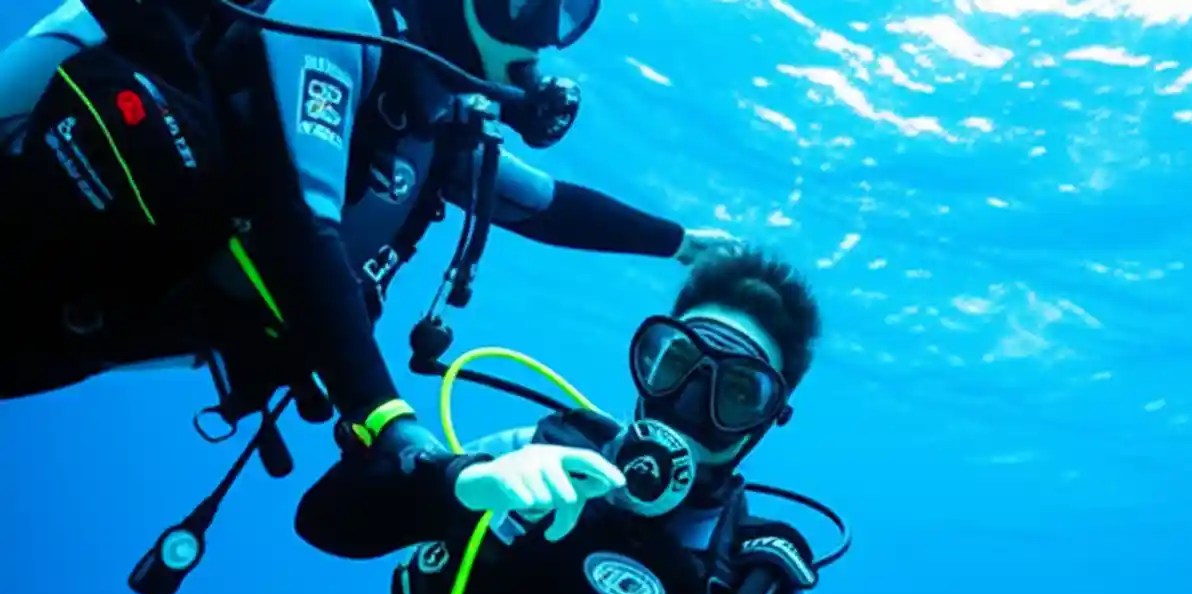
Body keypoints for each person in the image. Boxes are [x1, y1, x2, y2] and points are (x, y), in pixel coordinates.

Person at [0, 0, 737, 465]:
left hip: (100, 318)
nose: (543, 38)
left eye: (564, 16)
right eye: (529, 7)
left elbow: (543, 207)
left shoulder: (433, 118)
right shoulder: (336, 20)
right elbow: (301, 223)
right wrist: (391, 424)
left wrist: (680, 243)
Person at [298, 248, 824, 594]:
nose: (688, 402)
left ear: (766, 420)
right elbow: (325, 520)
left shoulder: (758, 586)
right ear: (648, 361)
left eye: (737, 393)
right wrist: (461, 484)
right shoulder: (528, 455)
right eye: (678, 363)